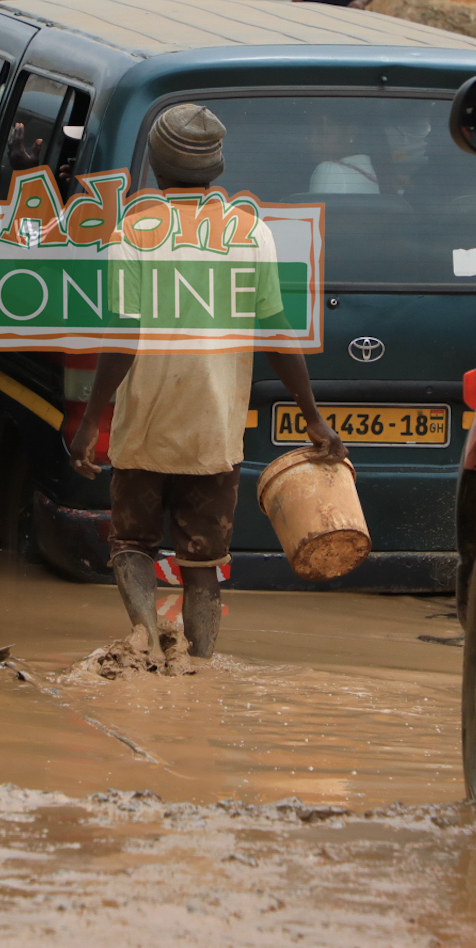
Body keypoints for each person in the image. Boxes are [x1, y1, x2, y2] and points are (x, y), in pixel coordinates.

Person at [68, 104, 347, 661]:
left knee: (131, 544)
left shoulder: (132, 233)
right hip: (214, 434)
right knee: (203, 563)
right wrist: (312, 414)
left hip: (145, 427)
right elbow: (278, 335)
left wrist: (92, 418)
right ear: (216, 166)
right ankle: (200, 669)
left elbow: (123, 335)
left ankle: (145, 641)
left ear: (153, 162)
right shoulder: (253, 234)